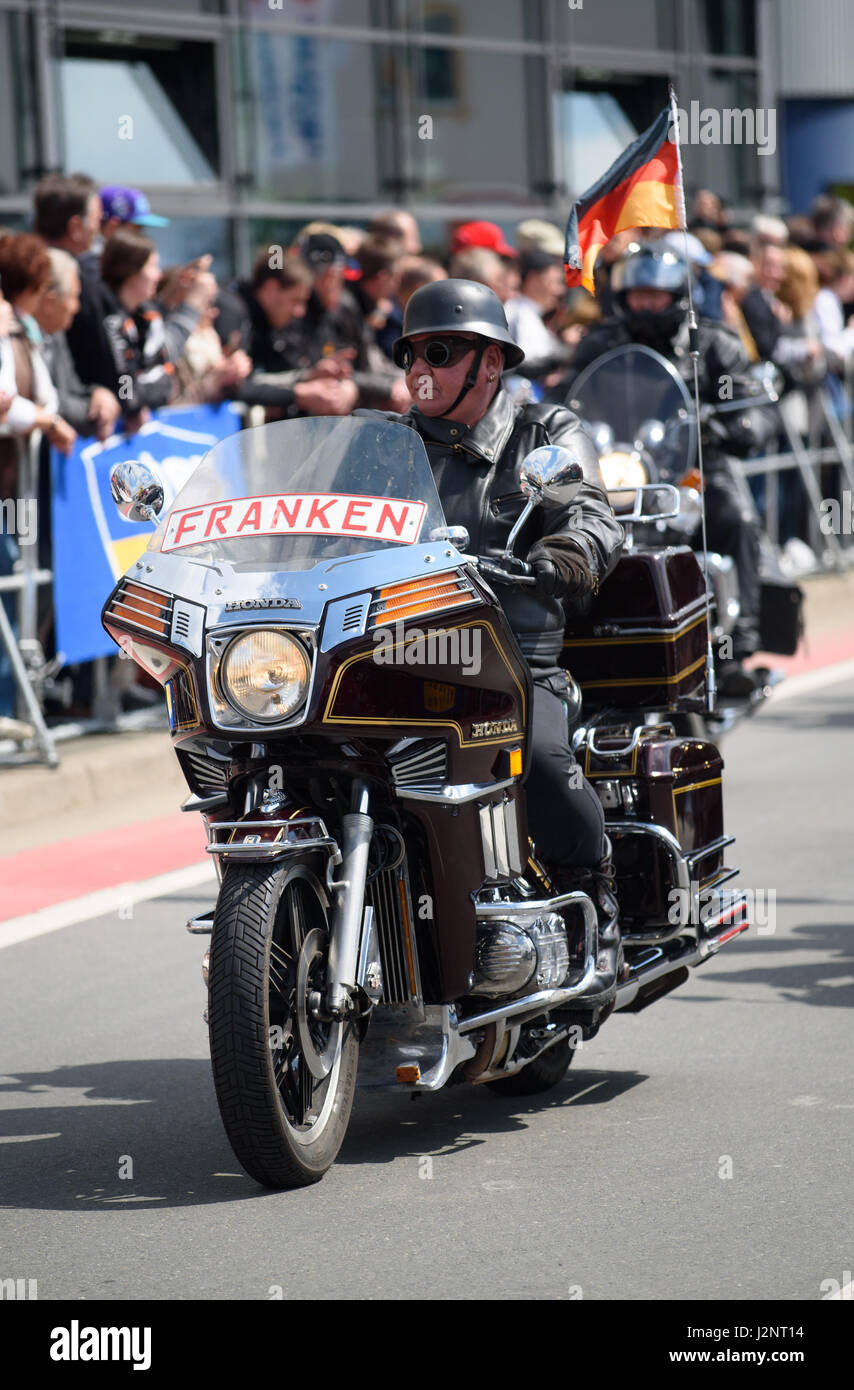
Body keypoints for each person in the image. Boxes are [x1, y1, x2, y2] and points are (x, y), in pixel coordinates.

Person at [367, 278, 626, 1016]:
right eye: (411, 350)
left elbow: (592, 513)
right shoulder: (386, 444)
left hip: (510, 659)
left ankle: (596, 902)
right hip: (393, 654)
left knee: (539, 761)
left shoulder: (544, 433)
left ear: (489, 362)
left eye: (440, 351)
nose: (421, 366)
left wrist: (569, 553)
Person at [551, 242, 765, 695]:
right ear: (623, 297)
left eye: (656, 294)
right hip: (620, 467)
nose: (646, 303)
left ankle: (737, 645)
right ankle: (564, 647)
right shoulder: (599, 342)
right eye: (638, 295)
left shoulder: (712, 343)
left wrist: (722, 425)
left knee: (736, 518)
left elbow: (751, 416)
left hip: (694, 465)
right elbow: (567, 404)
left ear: (676, 296)